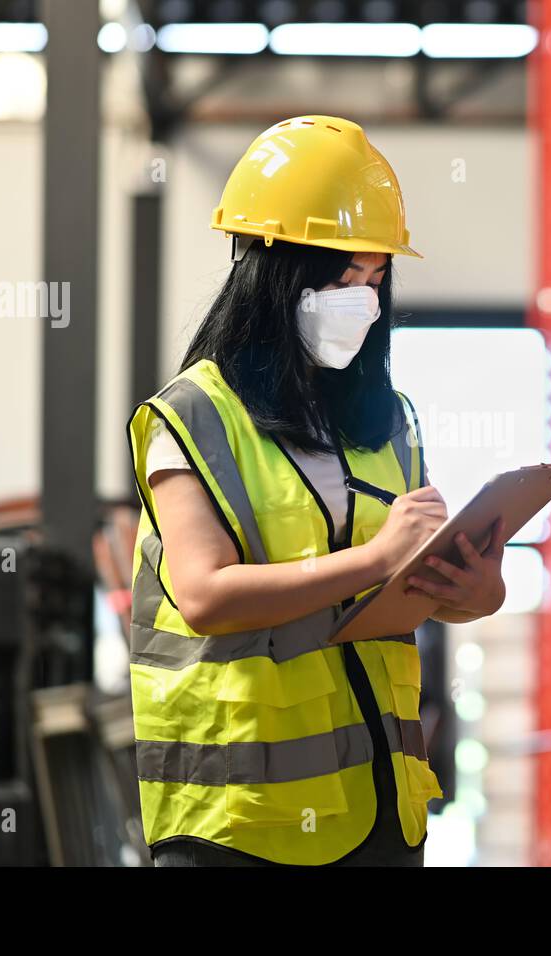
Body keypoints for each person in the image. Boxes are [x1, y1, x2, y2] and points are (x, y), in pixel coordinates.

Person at [126, 115, 508, 867]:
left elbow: (425, 576)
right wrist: (372, 563)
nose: (362, 301)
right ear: (275, 271)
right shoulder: (195, 415)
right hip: (241, 818)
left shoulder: (386, 418)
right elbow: (203, 595)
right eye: (342, 277)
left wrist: (480, 586)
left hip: (379, 804)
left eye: (374, 279)